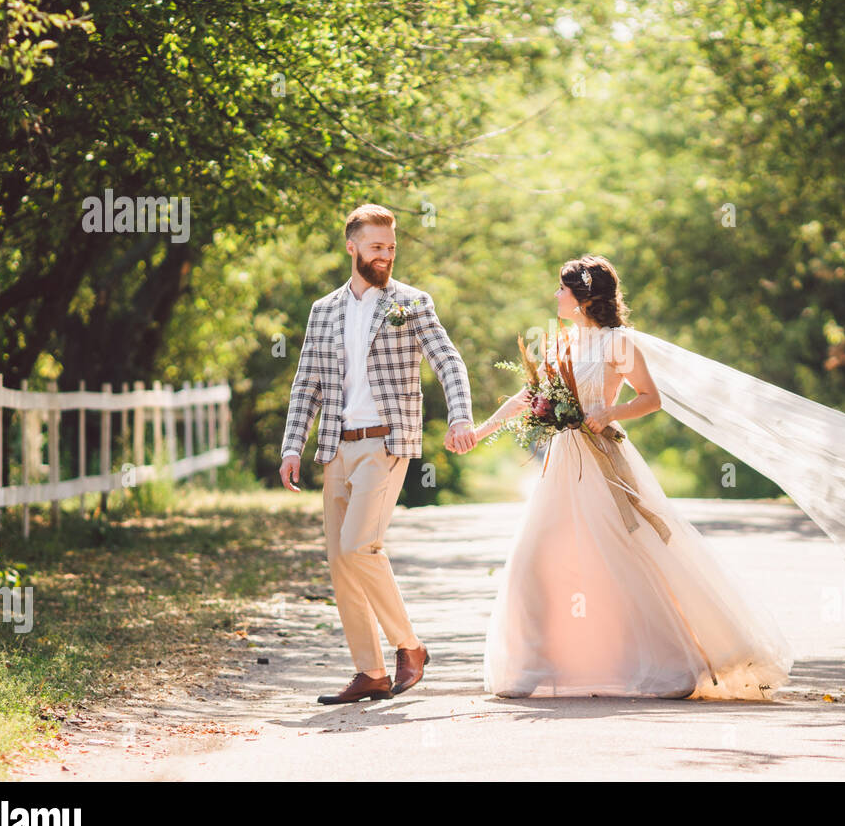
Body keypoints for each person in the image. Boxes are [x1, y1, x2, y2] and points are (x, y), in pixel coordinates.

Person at [475, 256, 795, 700]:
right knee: (536, 557)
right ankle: (532, 667)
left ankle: (673, 666)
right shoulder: (559, 342)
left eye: (561, 288)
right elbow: (529, 394)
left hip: (603, 459)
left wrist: (610, 412)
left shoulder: (618, 343)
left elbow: (650, 398)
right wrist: (479, 431)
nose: (555, 296)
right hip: (563, 463)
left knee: (625, 557)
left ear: (584, 296)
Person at [278, 204, 477, 704]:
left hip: (387, 442)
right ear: (352, 248)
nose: (385, 256)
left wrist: (460, 416)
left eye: (390, 247)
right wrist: (291, 446)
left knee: (358, 546)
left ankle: (409, 646)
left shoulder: (411, 303)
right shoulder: (323, 310)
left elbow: (448, 361)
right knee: (341, 564)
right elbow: (306, 384)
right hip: (336, 448)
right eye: (375, 247)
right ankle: (370, 672)